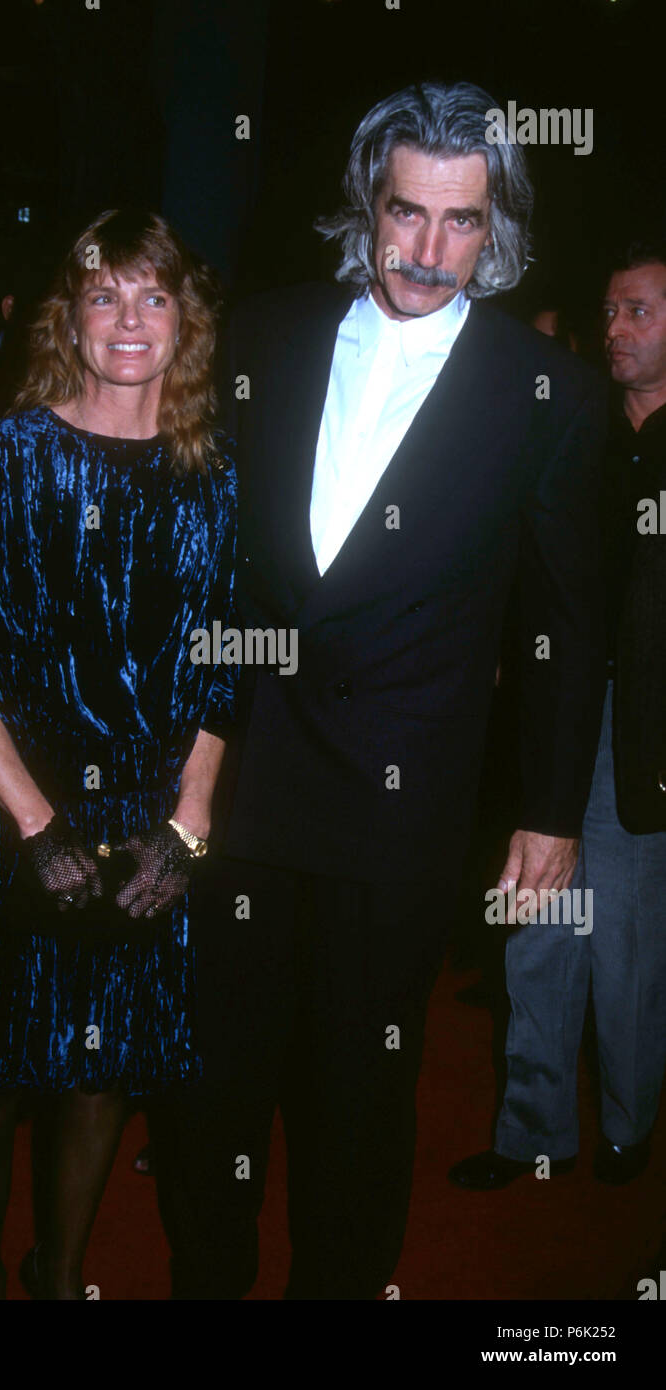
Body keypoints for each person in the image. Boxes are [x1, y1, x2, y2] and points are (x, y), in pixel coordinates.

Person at [149, 80, 608, 1300]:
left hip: (400, 803)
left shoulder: (547, 393)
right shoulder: (267, 334)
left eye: (461, 223)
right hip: (245, 781)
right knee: (213, 1083)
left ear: (496, 223)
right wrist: (190, 762)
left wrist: (552, 813)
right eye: (406, 213)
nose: (426, 250)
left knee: (359, 1092)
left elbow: (568, 622)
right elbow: (214, 569)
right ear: (368, 203)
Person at [0, 209, 237, 1300]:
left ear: (184, 320)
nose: (128, 319)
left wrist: (188, 825)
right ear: (69, 318)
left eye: (153, 295)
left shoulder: (210, 474)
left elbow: (227, 665)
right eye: (103, 294)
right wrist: (34, 828)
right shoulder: (4, 461)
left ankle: (60, 1273)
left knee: (100, 1074)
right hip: (10, 819)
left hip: (143, 827)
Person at [451, 240, 666, 1192]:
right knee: (536, 925)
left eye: (640, 312)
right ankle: (533, 1133)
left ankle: (629, 1124)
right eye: (611, 311)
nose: (616, 329)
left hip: (645, 727)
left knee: (625, 940)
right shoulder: (581, 426)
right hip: (557, 711)